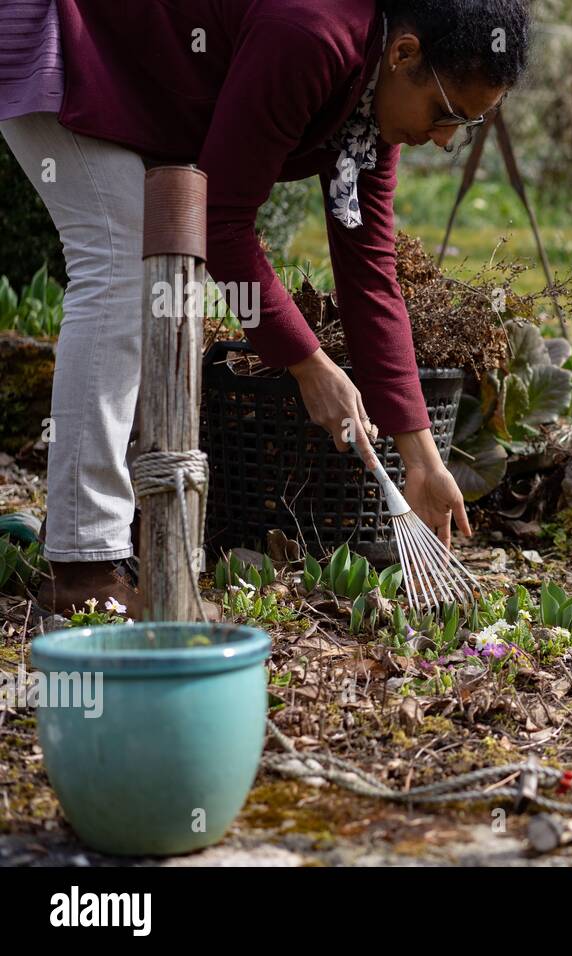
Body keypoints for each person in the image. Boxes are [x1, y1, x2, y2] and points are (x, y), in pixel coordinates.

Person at [0, 0, 530, 617]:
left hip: (119, 63)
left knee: (157, 279)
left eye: (464, 128)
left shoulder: (365, 116)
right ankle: (84, 571)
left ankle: (115, 540)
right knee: (121, 258)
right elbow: (223, 222)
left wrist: (424, 461)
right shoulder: (311, 35)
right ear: (404, 54)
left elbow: (371, 274)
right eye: (445, 114)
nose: (443, 140)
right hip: (57, 26)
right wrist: (309, 366)